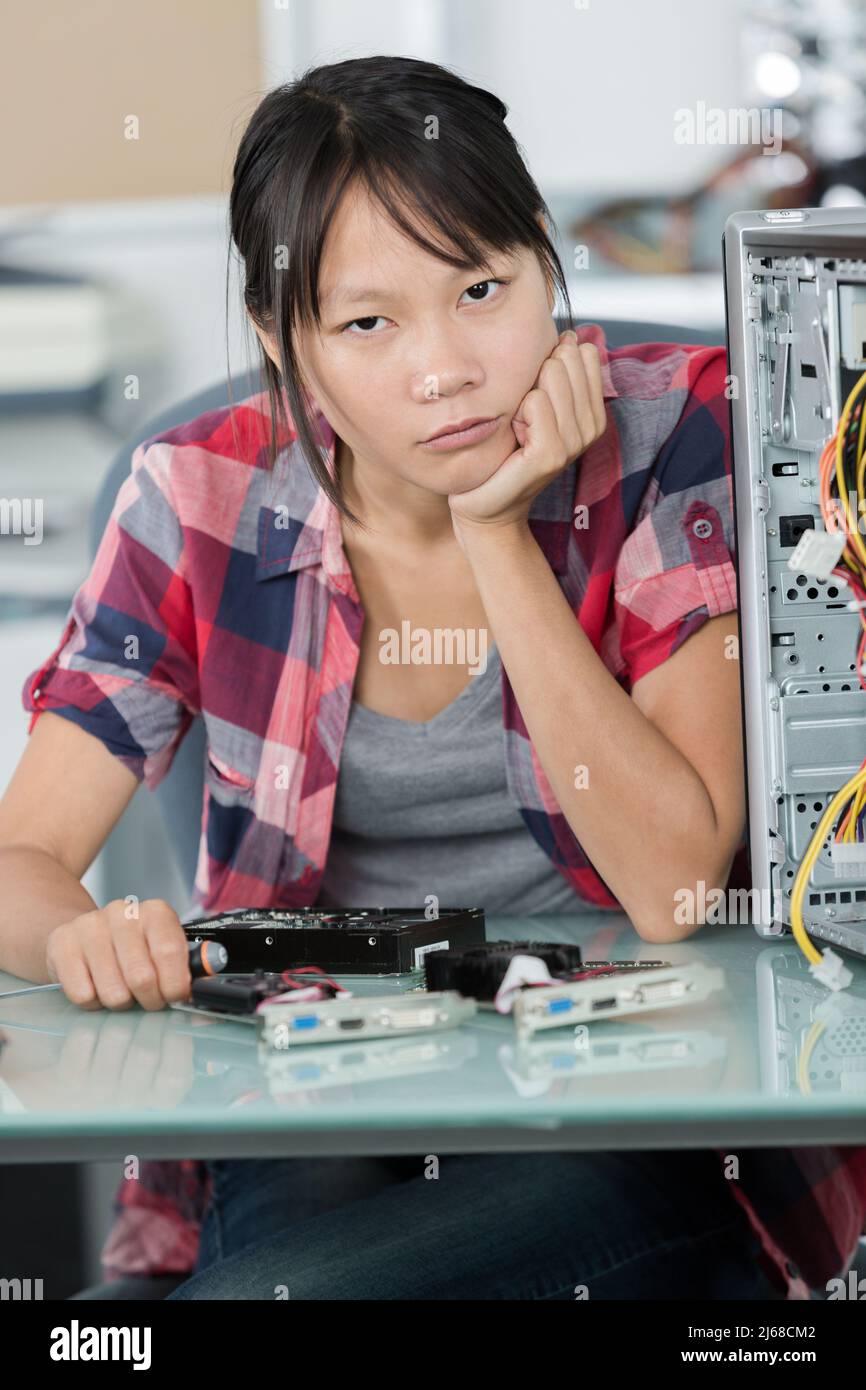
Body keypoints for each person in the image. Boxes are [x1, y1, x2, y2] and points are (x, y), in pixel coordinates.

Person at [0, 55, 843, 1300]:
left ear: (546, 261)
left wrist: (494, 532)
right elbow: (19, 863)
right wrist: (88, 936)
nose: (444, 367)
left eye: (481, 287)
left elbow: (671, 886)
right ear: (286, 341)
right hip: (316, 1078)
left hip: (640, 1096)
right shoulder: (201, 495)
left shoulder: (680, 437)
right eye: (366, 324)